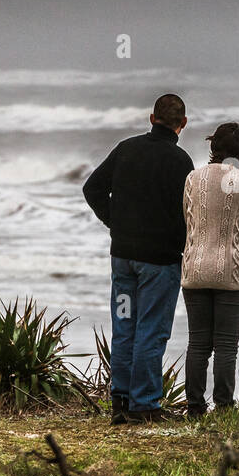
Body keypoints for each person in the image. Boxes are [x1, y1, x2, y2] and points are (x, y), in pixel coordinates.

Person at [83, 94, 193, 424]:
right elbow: (188, 213)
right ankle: (144, 406)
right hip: (160, 261)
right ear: (182, 124)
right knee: (151, 331)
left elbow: (92, 189)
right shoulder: (181, 162)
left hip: (123, 257)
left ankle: (121, 402)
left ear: (151, 118)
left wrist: (114, 222)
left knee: (125, 327)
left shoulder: (126, 149)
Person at [181, 123, 239, 417]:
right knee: (227, 346)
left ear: (213, 147)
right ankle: (225, 408)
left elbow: (187, 217)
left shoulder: (193, 178)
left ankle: (194, 407)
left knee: (198, 343)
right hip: (232, 273)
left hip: (194, 270)